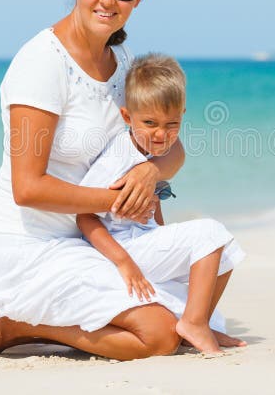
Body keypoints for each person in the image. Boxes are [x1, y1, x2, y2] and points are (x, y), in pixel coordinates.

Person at [0, 0, 235, 365]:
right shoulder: (42, 62)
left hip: (95, 239)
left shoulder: (124, 64)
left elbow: (172, 149)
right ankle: (12, 323)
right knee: (159, 336)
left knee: (204, 270)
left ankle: (41, 316)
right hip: (27, 243)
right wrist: (119, 200)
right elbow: (28, 189)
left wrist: (150, 174)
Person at [76, 53, 245, 354]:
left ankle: (200, 321)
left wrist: (165, 238)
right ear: (127, 118)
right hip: (121, 250)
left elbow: (155, 209)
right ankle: (193, 323)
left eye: (172, 124)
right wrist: (124, 263)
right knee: (211, 232)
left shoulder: (151, 159)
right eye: (150, 123)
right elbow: (85, 217)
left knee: (226, 250)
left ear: (182, 115)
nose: (161, 134)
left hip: (145, 243)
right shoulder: (118, 157)